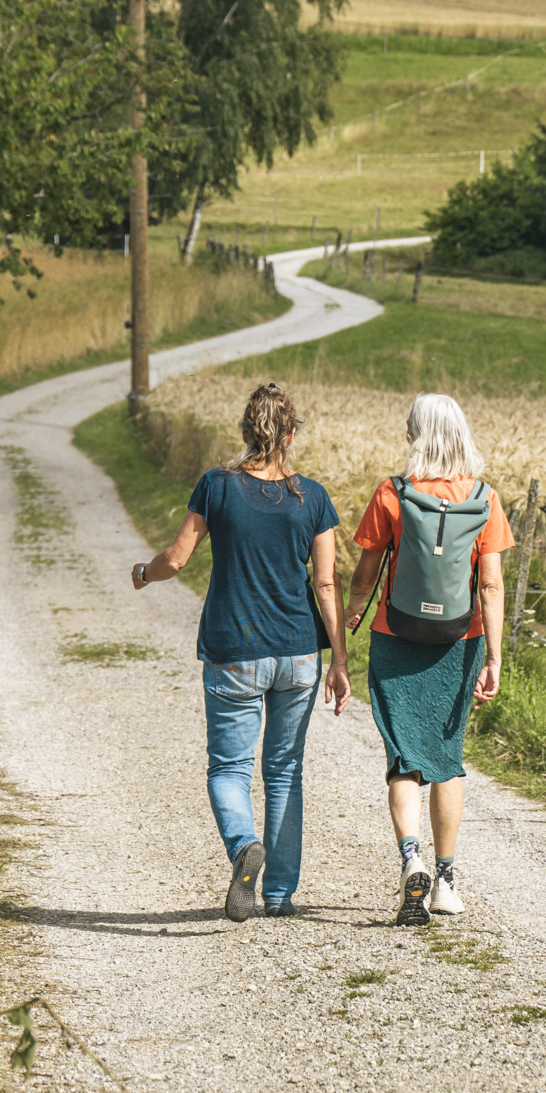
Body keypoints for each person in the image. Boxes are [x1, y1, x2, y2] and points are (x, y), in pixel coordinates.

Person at [132, 382, 351, 920]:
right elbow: (326, 586)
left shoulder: (216, 486)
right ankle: (278, 894)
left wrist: (143, 574)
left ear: (245, 431)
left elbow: (177, 559)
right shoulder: (314, 498)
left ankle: (241, 849)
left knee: (229, 770)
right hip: (299, 653)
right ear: (291, 434)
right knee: (284, 771)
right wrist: (341, 661)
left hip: (234, 649)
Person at [342, 392, 512, 927]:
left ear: (417, 434)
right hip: (459, 643)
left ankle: (409, 856)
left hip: (396, 636)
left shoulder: (392, 493)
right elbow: (490, 585)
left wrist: (345, 626)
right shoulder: (485, 499)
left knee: (404, 757)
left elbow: (366, 575)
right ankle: (446, 880)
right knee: (447, 757)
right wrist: (494, 658)